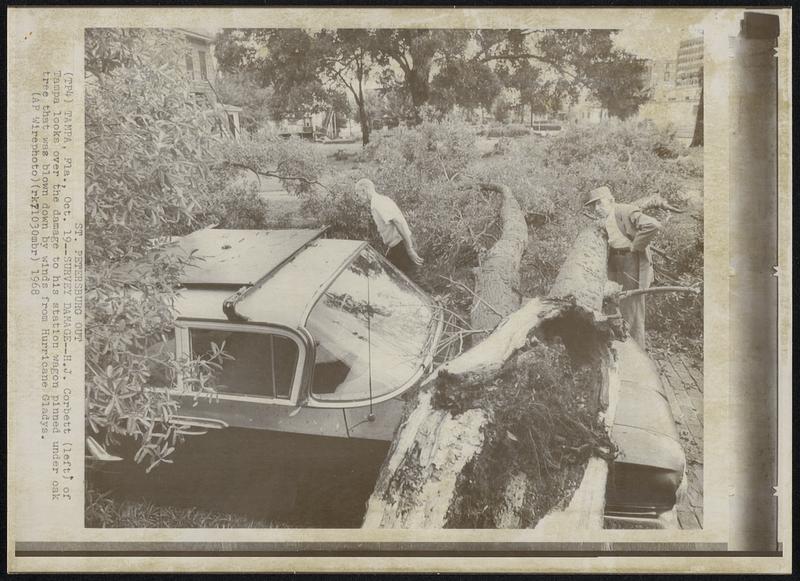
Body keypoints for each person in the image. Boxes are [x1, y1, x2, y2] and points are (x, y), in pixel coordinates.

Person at [582, 185, 662, 349]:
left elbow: (653, 225)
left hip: (632, 263)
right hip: (616, 262)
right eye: (593, 205)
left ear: (611, 200)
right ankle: (618, 347)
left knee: (632, 309)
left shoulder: (625, 211)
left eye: (599, 203)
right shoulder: (606, 217)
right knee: (613, 303)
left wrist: (636, 246)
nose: (596, 209)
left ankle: (637, 352)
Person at [355, 178, 424, 275]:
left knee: (415, 280)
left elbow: (398, 222)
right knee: (390, 276)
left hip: (402, 245)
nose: (357, 198)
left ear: (364, 190)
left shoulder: (378, 203)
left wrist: (409, 248)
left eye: (357, 194)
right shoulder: (380, 200)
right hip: (397, 246)